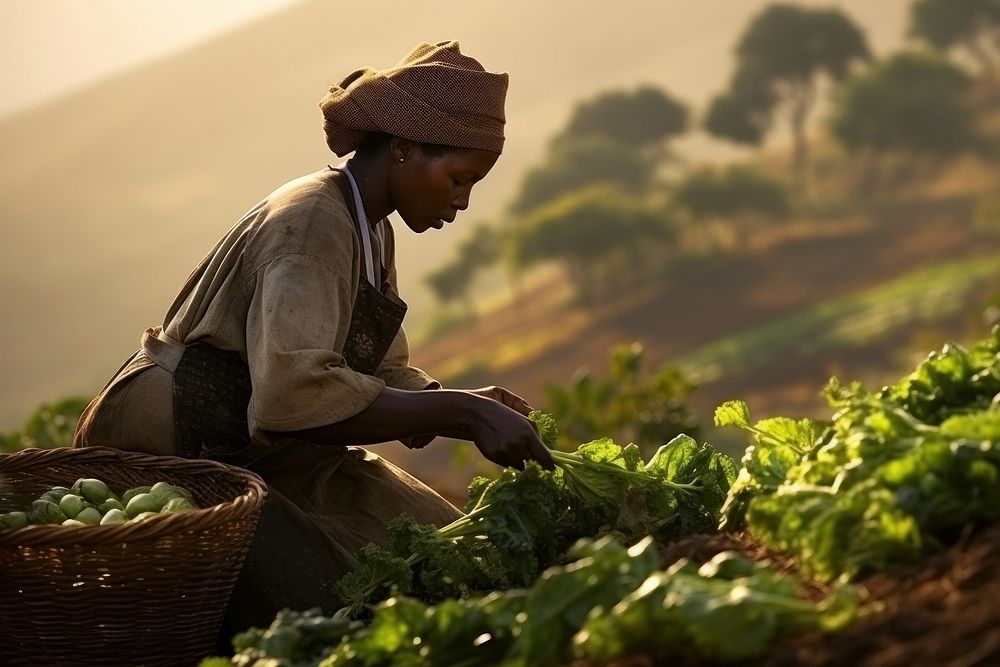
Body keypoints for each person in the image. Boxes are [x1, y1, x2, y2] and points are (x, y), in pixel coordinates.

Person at [72, 40, 553, 637]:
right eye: (458, 178)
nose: (463, 200)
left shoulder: (370, 226)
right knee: (328, 608)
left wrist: (467, 403)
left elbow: (375, 369)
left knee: (434, 544)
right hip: (182, 449)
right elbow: (294, 396)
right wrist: (460, 412)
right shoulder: (312, 223)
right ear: (403, 150)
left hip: (273, 446)